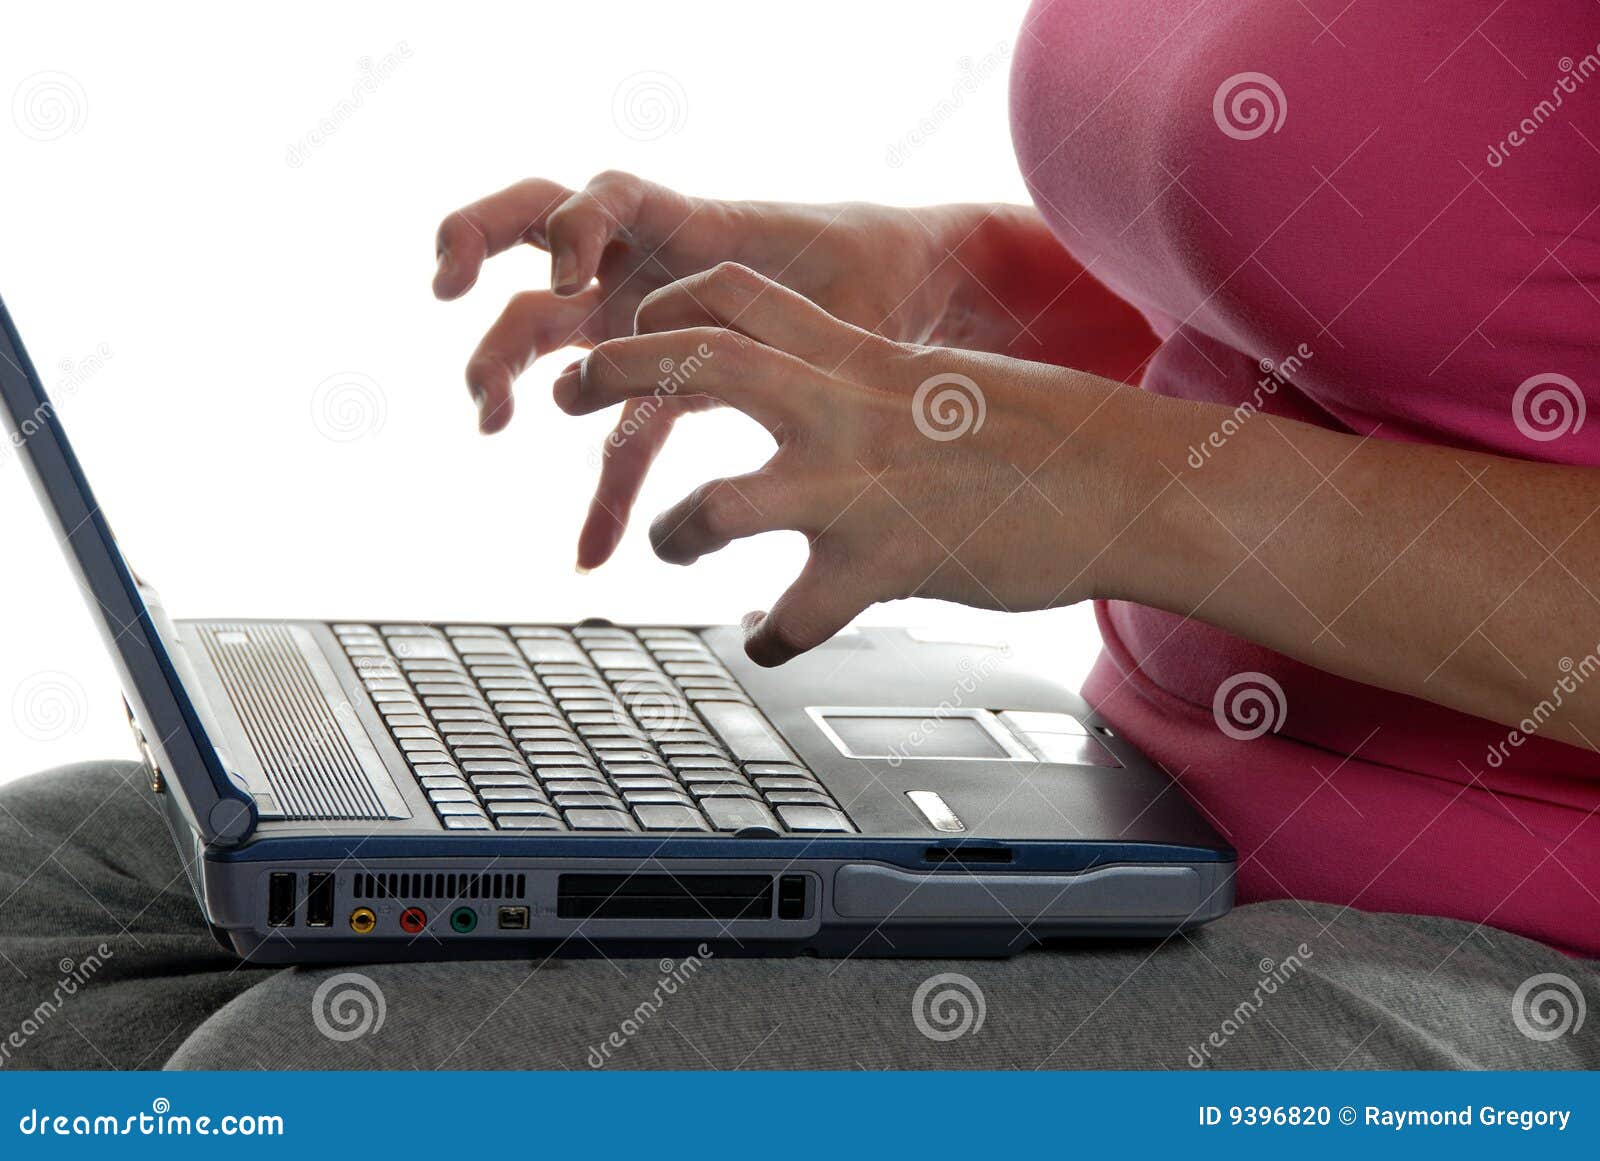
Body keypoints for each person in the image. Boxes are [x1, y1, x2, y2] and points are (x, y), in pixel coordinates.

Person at [2, 0, 1596, 1070]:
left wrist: (1124, 485)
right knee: (38, 915)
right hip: (1147, 805)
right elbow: (1410, 305)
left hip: (1509, 966)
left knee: (309, 1079)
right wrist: (926, 303)